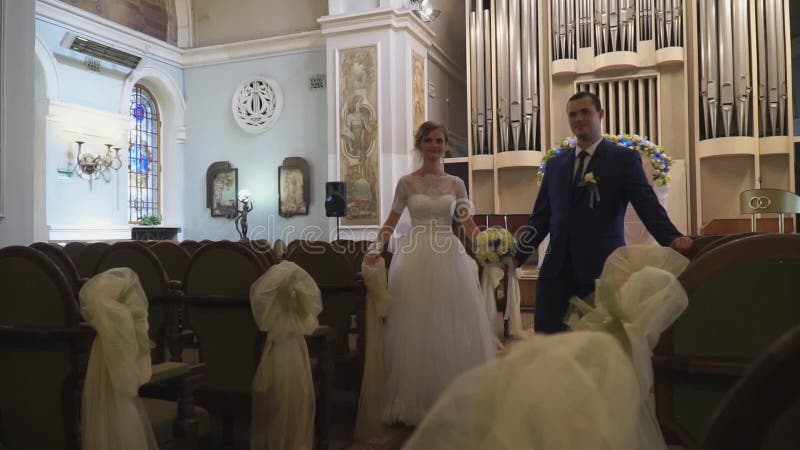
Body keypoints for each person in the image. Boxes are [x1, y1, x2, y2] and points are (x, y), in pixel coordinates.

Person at [514, 91, 692, 334]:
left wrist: (672, 238)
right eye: (572, 114)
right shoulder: (556, 165)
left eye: (585, 112)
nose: (578, 119)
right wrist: (515, 255)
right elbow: (541, 217)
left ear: (600, 114)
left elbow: (647, 205)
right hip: (555, 273)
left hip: (601, 270)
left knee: (597, 347)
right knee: (550, 342)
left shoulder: (623, 159)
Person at [363, 121, 496, 425]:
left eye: (440, 141)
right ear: (419, 145)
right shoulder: (406, 183)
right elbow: (390, 222)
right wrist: (375, 248)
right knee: (416, 327)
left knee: (449, 324)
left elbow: (468, 225)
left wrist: (491, 247)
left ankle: (451, 395)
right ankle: (415, 399)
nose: (435, 146)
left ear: (446, 145)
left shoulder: (456, 184)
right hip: (415, 256)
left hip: (450, 255)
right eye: (429, 141)